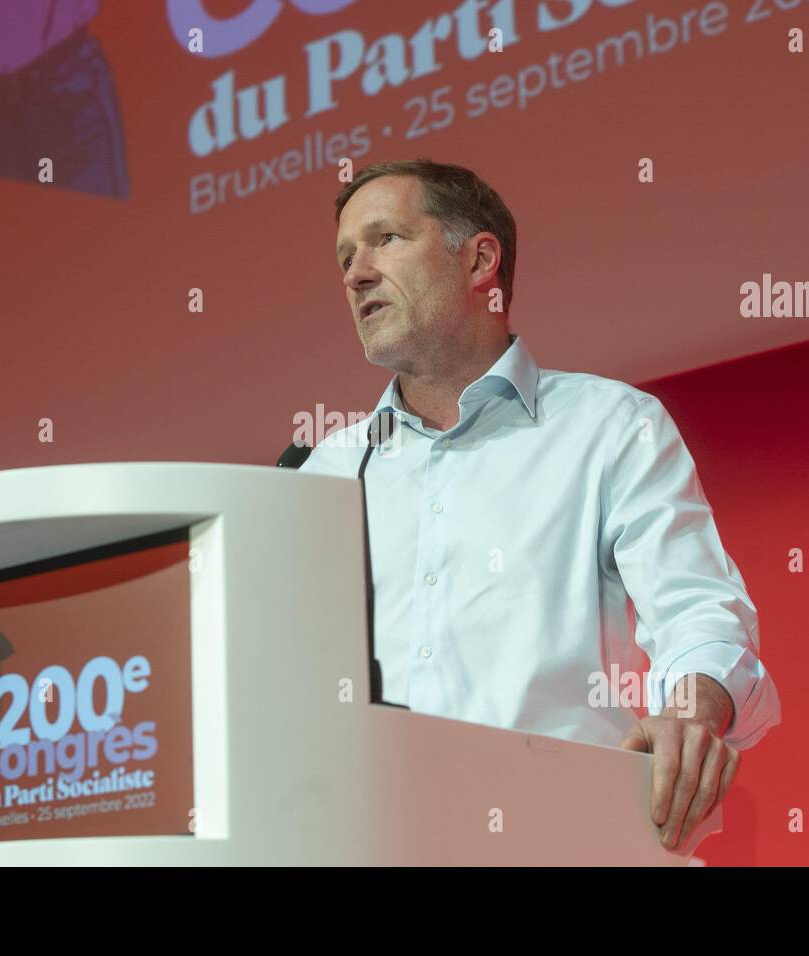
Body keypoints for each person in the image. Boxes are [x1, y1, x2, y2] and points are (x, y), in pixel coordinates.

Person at [299, 158, 781, 852]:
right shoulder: (329, 469)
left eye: (387, 239)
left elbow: (698, 610)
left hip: (562, 843)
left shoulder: (611, 426)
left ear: (480, 260)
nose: (356, 273)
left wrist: (689, 711)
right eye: (346, 256)